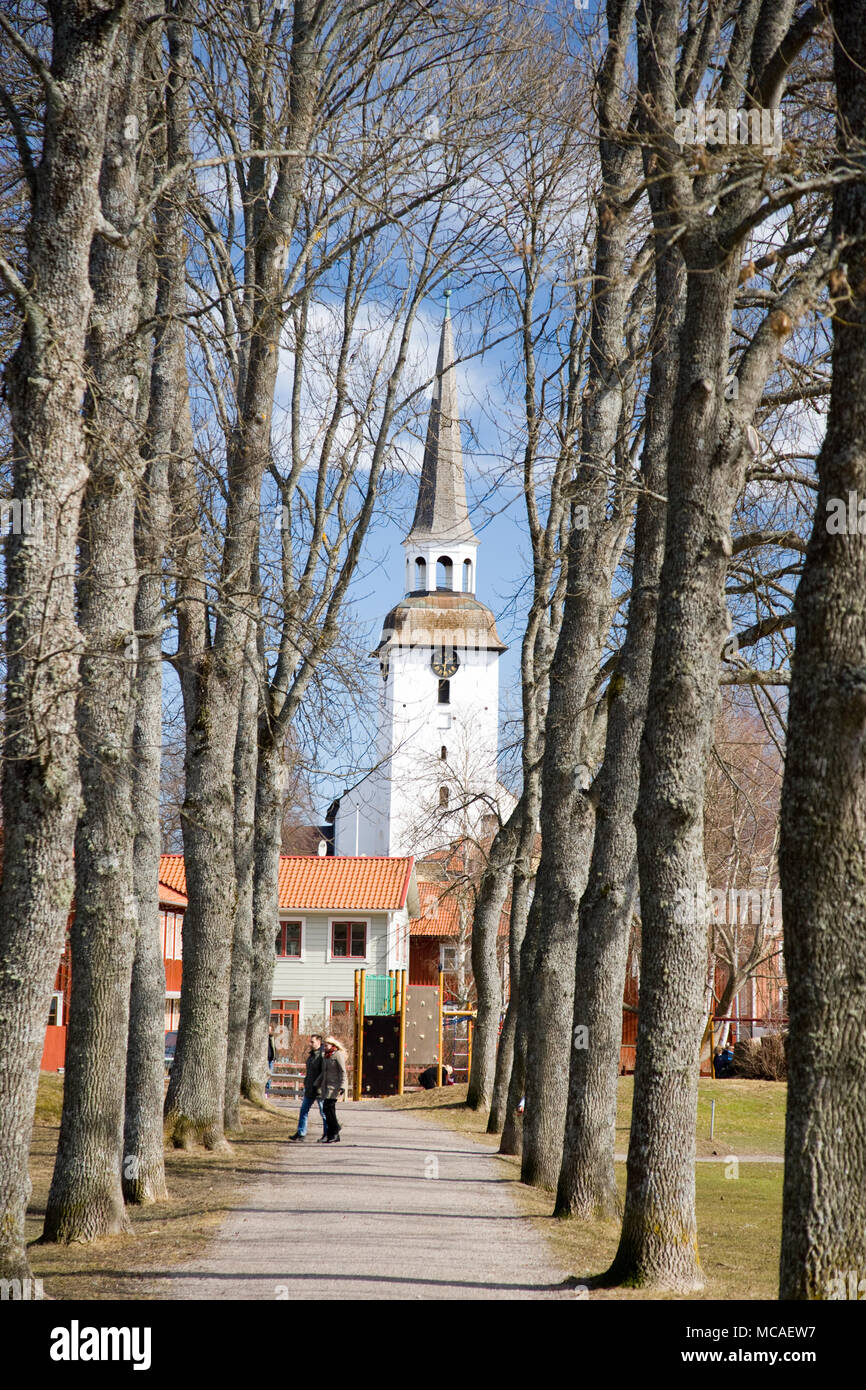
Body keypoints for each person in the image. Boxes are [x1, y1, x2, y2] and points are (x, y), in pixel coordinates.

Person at [290, 1034, 325, 1141]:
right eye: (310, 1041)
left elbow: (324, 1073)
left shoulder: (322, 1056)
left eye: (312, 1042)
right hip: (309, 1088)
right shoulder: (312, 1055)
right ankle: (301, 1133)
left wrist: (318, 1084)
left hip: (319, 1089)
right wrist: (307, 1083)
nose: (310, 1044)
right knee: (304, 1110)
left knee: (324, 1112)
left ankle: (328, 1133)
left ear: (319, 1042)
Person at [317, 1035, 348, 1143]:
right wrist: (317, 1083)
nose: (324, 1047)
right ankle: (333, 1134)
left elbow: (343, 1072)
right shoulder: (326, 1056)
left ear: (332, 1045)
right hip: (326, 1085)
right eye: (324, 1045)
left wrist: (343, 1086)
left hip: (334, 1086)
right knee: (328, 1110)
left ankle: (335, 1129)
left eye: (326, 1045)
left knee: (328, 1108)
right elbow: (324, 1072)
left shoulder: (337, 1055)